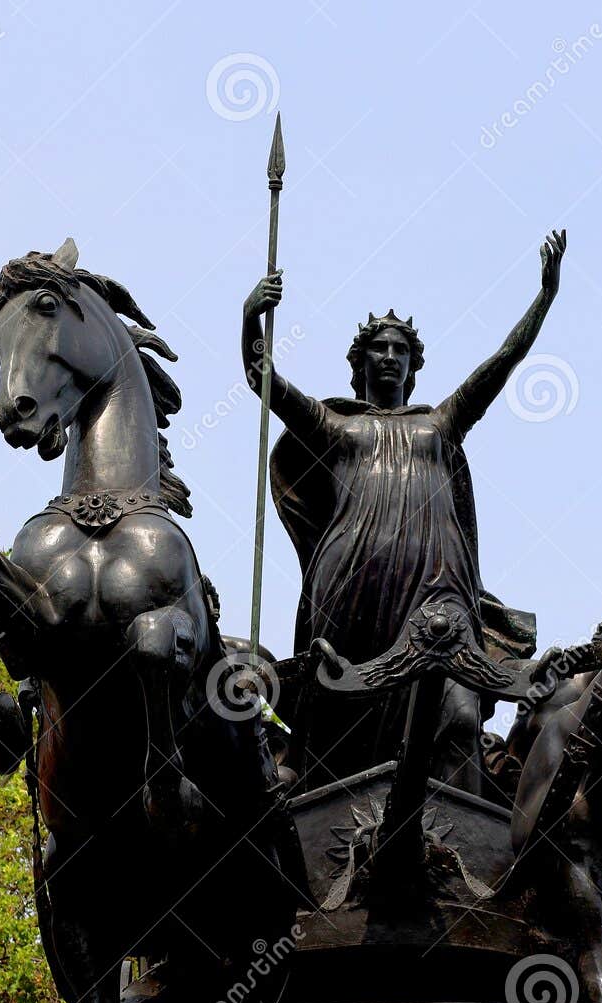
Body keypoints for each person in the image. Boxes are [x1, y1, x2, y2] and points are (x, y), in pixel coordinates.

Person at [240, 231, 566, 789]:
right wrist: (251, 316)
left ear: (413, 367)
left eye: (400, 350)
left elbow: (502, 362)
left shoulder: (441, 422)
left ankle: (460, 821)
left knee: (457, 714)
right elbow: (262, 379)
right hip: (350, 588)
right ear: (359, 362)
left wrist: (545, 297)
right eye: (379, 348)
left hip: (437, 589)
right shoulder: (334, 426)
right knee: (337, 722)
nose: (389, 357)